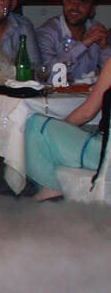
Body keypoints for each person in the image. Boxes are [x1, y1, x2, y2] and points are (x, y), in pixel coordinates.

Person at [24, 56, 111, 201]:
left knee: (33, 125)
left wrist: (57, 130)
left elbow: (87, 113)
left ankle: (50, 188)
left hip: (104, 155)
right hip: (104, 148)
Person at [35, 0, 108, 83]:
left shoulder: (96, 30)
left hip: (88, 96)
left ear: (93, 7)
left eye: (83, 2)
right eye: (70, 0)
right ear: (64, 1)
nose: (75, 7)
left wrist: (104, 48)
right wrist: (83, 45)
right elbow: (50, 76)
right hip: (55, 98)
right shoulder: (46, 33)